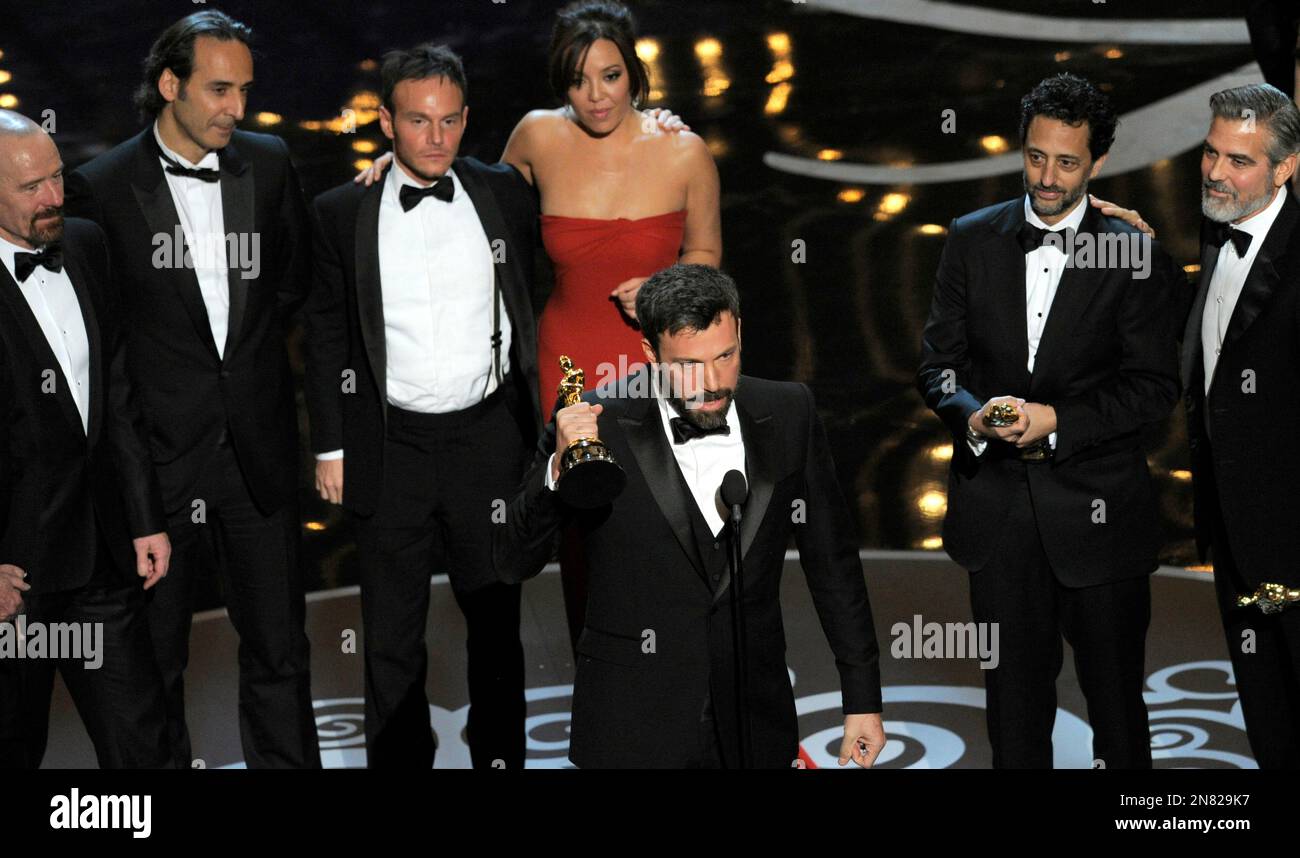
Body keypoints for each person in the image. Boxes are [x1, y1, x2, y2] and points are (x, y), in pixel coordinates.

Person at [359, 1, 721, 648]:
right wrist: (397, 167)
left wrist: (668, 290)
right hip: (568, 368)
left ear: (634, 73)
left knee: (666, 530)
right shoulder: (536, 136)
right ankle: (601, 693)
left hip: (654, 367)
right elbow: (472, 200)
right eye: (579, 80)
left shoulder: (683, 149)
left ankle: (676, 691)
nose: (596, 95)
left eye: (610, 76)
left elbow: (707, 256)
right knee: (581, 536)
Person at [493, 263, 884, 769]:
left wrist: (862, 697)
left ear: (740, 331)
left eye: (726, 355)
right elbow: (511, 559)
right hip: (632, 725)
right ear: (650, 354)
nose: (713, 382)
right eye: (689, 365)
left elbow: (833, 563)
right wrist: (557, 467)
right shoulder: (596, 421)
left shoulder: (789, 411)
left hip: (753, 722)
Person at [63, 10, 320, 769]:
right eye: (217, 89)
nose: (235, 109)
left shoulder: (270, 164)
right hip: (159, 468)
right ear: (168, 84)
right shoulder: (101, 188)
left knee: (281, 652)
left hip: (257, 457)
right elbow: (100, 344)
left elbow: (293, 285)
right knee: (157, 669)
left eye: (242, 90)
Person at [916, 73, 1182, 768]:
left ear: (1096, 163)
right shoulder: (971, 239)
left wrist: (1056, 419)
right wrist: (975, 418)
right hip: (998, 516)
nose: (1047, 176)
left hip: (1100, 512)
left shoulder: (1134, 252)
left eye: (1067, 162)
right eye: (1036, 157)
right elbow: (937, 367)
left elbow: (1154, 389)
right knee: (1013, 711)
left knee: (1118, 707)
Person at [304, 43, 542, 769]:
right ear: (386, 122)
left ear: (467, 118)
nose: (435, 139)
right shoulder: (341, 212)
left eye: (448, 121)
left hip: (488, 442)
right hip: (390, 443)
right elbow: (325, 333)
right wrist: (331, 446)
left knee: (497, 624)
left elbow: (543, 279)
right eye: (417, 121)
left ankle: (499, 760)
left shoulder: (504, 193)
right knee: (391, 634)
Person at [0, 111, 171, 769]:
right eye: (30, 188)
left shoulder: (88, 244)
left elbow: (118, 396)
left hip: (101, 558)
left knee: (141, 748)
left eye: (56, 179)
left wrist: (145, 519)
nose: (52, 199)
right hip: (14, 578)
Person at [1182, 83, 1300, 768]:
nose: (1217, 173)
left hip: (1291, 547)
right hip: (1235, 536)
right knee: (1268, 718)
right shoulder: (1216, 226)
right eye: (1210, 153)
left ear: (1286, 168)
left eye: (1240, 161)